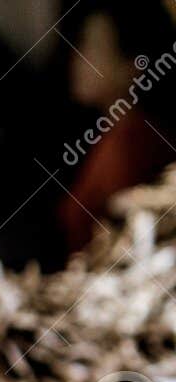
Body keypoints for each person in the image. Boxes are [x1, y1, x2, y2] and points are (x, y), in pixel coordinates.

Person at [61, 0, 176, 250]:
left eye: (93, 47)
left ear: (132, 67)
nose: (78, 57)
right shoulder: (111, 130)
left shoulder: (134, 142)